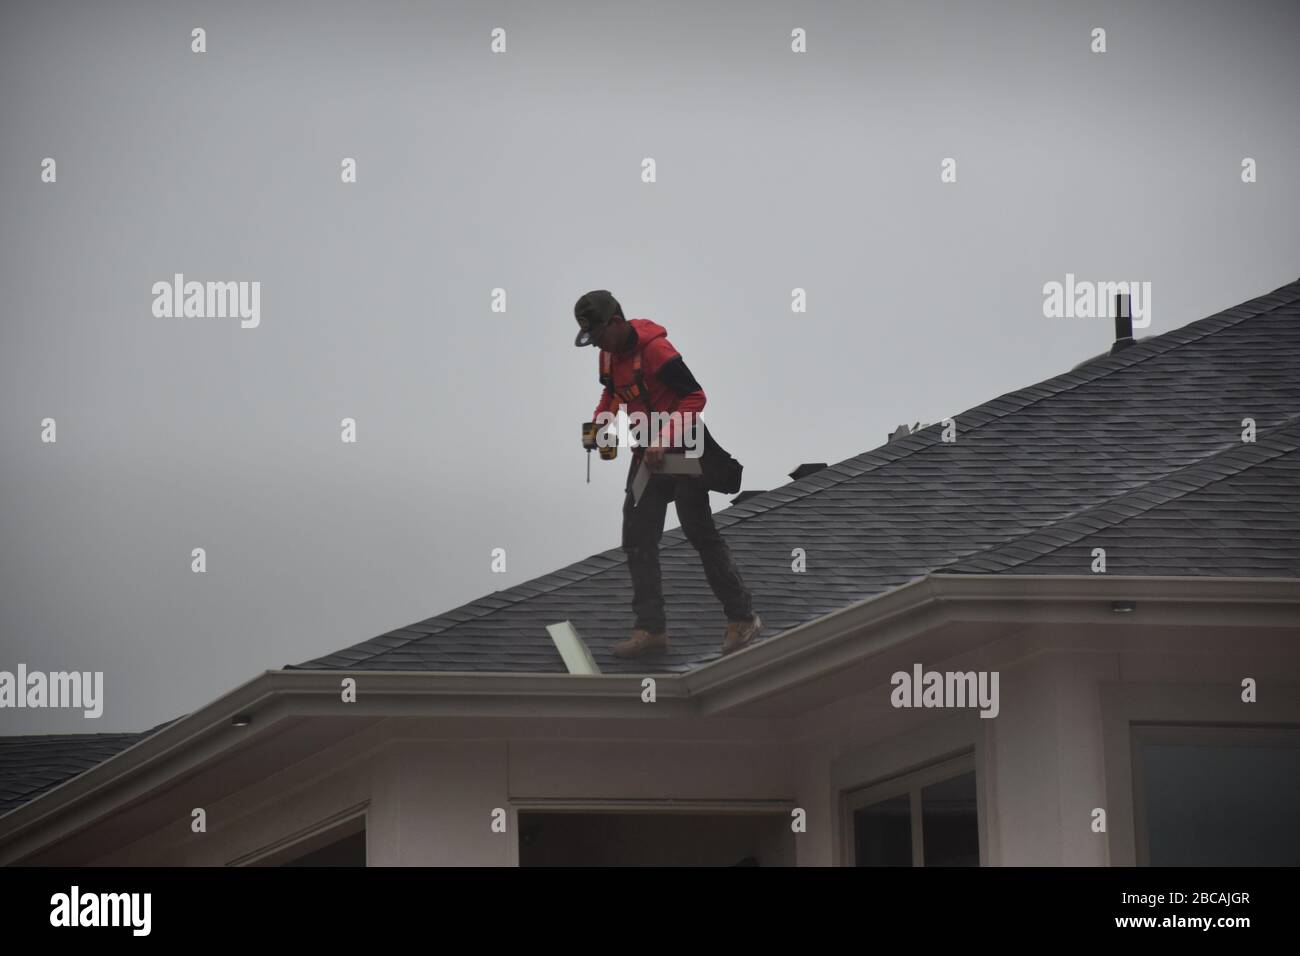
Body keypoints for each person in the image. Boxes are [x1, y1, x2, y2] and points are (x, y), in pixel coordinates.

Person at [574, 290, 762, 659]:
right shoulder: (608, 357)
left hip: (682, 449)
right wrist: (602, 425)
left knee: (700, 534)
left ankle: (743, 619)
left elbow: (695, 397)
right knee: (637, 539)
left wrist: (664, 438)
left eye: (598, 334)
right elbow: (611, 395)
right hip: (648, 455)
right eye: (591, 338)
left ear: (615, 322)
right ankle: (651, 630)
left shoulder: (657, 351)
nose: (597, 343)